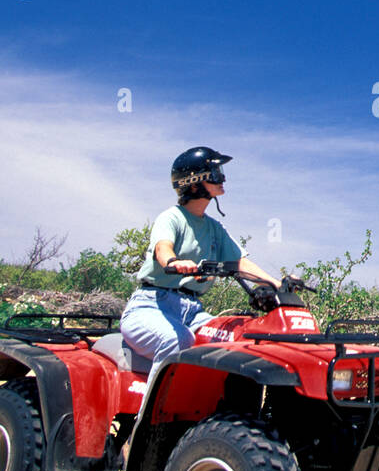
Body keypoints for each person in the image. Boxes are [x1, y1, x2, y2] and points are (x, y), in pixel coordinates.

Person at [120, 146, 284, 422]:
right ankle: (149, 425)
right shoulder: (171, 218)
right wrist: (173, 262)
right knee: (177, 340)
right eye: (216, 173)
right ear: (194, 182)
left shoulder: (214, 228)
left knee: (238, 337)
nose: (222, 178)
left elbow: (241, 263)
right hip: (151, 306)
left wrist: (278, 284)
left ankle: (232, 422)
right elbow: (162, 248)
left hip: (192, 310)